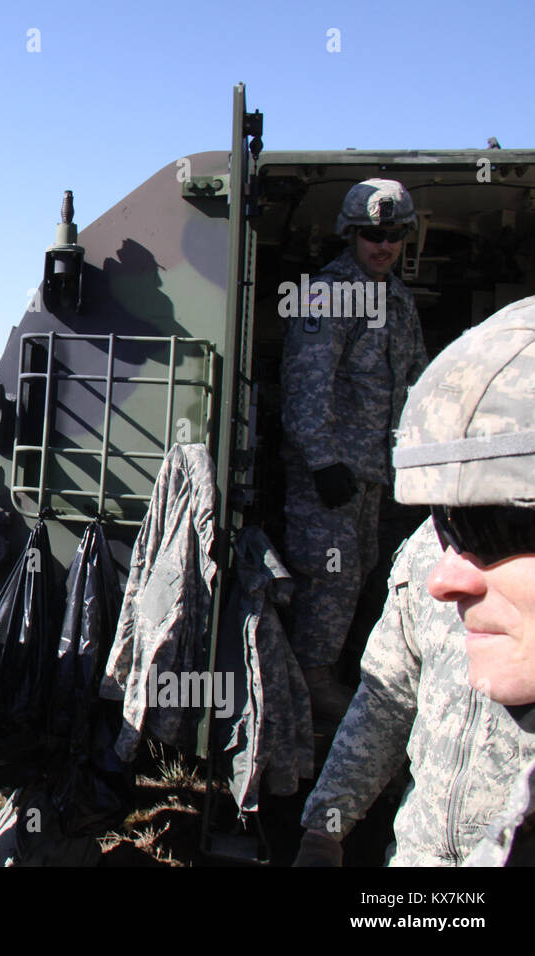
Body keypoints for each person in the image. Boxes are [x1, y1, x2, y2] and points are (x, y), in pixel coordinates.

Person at [296, 295, 535, 866]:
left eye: (498, 525)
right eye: (450, 521)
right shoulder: (429, 553)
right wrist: (326, 825)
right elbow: (386, 699)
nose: (444, 579)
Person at [280, 178, 429, 720]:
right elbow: (306, 383)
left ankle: (349, 684)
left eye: (392, 235)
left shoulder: (401, 303)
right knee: (331, 577)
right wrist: (322, 460)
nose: (382, 245)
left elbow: (414, 383)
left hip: (379, 476)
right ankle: (310, 686)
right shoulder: (327, 294)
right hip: (332, 477)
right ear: (350, 235)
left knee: (369, 574)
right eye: (372, 235)